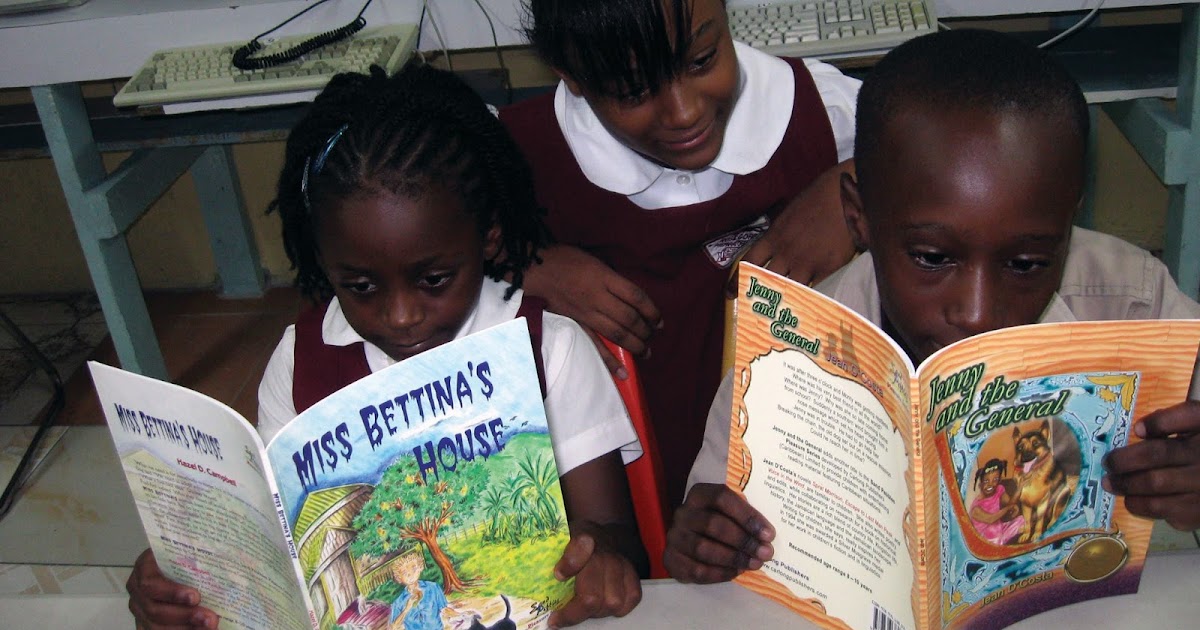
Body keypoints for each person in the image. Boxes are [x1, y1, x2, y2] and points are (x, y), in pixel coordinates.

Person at [665, 28, 1200, 583]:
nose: (976, 313)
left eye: (1025, 265)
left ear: (1069, 218)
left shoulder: (1139, 308)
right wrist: (708, 545)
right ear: (860, 217)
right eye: (931, 257)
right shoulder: (782, 354)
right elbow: (716, 532)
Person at [125, 64, 647, 629]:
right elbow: (281, 552)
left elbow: (620, 537)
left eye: (434, 279)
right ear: (324, 262)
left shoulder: (550, 350)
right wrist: (189, 584)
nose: (401, 317)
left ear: (488, 238)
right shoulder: (300, 362)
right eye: (361, 286)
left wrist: (604, 558)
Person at [502, 0, 863, 508]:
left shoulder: (823, 111)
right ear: (572, 75)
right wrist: (528, 268)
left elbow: (950, 155)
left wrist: (856, 183)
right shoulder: (519, 155)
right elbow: (412, 258)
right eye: (633, 91)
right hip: (627, 504)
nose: (685, 112)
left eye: (701, 61)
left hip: (804, 486)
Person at [969, 458, 1024, 546]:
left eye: (995, 480)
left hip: (1000, 529)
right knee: (995, 536)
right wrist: (1008, 508)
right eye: (986, 481)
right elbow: (990, 519)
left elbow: (1010, 504)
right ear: (981, 483)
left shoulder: (999, 490)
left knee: (1022, 520)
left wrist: (1020, 487)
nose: (990, 484)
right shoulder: (976, 508)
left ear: (999, 481)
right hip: (987, 540)